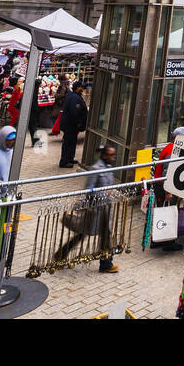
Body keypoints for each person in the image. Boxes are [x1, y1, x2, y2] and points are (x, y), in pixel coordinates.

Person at [53, 144, 119, 273]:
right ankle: (60, 255)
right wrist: (105, 193)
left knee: (104, 236)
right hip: (95, 210)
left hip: (105, 209)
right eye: (111, 155)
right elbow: (89, 190)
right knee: (83, 234)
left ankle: (106, 263)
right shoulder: (96, 169)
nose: (113, 157)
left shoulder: (109, 167)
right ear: (104, 155)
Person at [58, 81, 88, 168]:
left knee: (72, 143)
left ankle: (69, 158)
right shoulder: (74, 98)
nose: (82, 89)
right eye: (81, 87)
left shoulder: (74, 96)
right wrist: (78, 123)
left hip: (71, 126)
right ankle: (64, 161)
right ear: (77, 88)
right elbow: (74, 113)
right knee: (68, 143)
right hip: (70, 126)